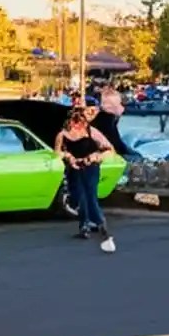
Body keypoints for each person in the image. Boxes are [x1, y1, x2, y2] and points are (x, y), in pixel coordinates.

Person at [55, 106, 116, 252]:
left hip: (90, 167)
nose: (78, 125)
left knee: (90, 196)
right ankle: (85, 224)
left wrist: (96, 157)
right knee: (78, 197)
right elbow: (58, 152)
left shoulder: (91, 132)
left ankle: (100, 225)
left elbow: (109, 150)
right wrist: (69, 157)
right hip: (74, 167)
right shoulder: (62, 135)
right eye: (75, 121)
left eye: (81, 121)